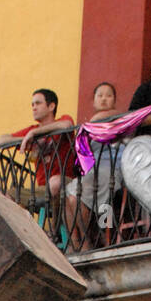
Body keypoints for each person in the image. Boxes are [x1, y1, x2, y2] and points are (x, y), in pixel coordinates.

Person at [64, 80, 123, 243]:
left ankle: (90, 238)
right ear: (94, 100)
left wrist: (94, 120)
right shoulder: (90, 126)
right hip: (93, 171)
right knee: (72, 198)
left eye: (109, 95)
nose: (104, 99)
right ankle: (79, 239)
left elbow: (102, 119)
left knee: (85, 191)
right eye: (100, 95)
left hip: (112, 168)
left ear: (114, 101)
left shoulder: (119, 118)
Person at [0, 89, 76, 205]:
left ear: (51, 106)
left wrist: (34, 134)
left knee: (55, 182)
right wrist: (26, 138)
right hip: (42, 189)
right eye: (32, 104)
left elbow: (67, 125)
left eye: (38, 103)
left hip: (66, 183)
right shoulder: (31, 130)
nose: (34, 107)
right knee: (5, 197)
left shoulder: (63, 119)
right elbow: (1, 141)